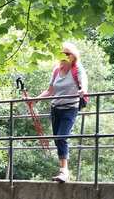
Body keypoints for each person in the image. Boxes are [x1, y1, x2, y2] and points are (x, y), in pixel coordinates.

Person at [36, 42, 88, 182]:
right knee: (57, 139)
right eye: (62, 54)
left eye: (67, 54)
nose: (64, 56)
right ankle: (63, 170)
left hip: (70, 108)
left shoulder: (77, 69)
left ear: (73, 56)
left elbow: (83, 83)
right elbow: (50, 91)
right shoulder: (56, 71)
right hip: (55, 109)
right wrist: (35, 99)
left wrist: (83, 90)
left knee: (61, 137)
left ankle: (64, 172)